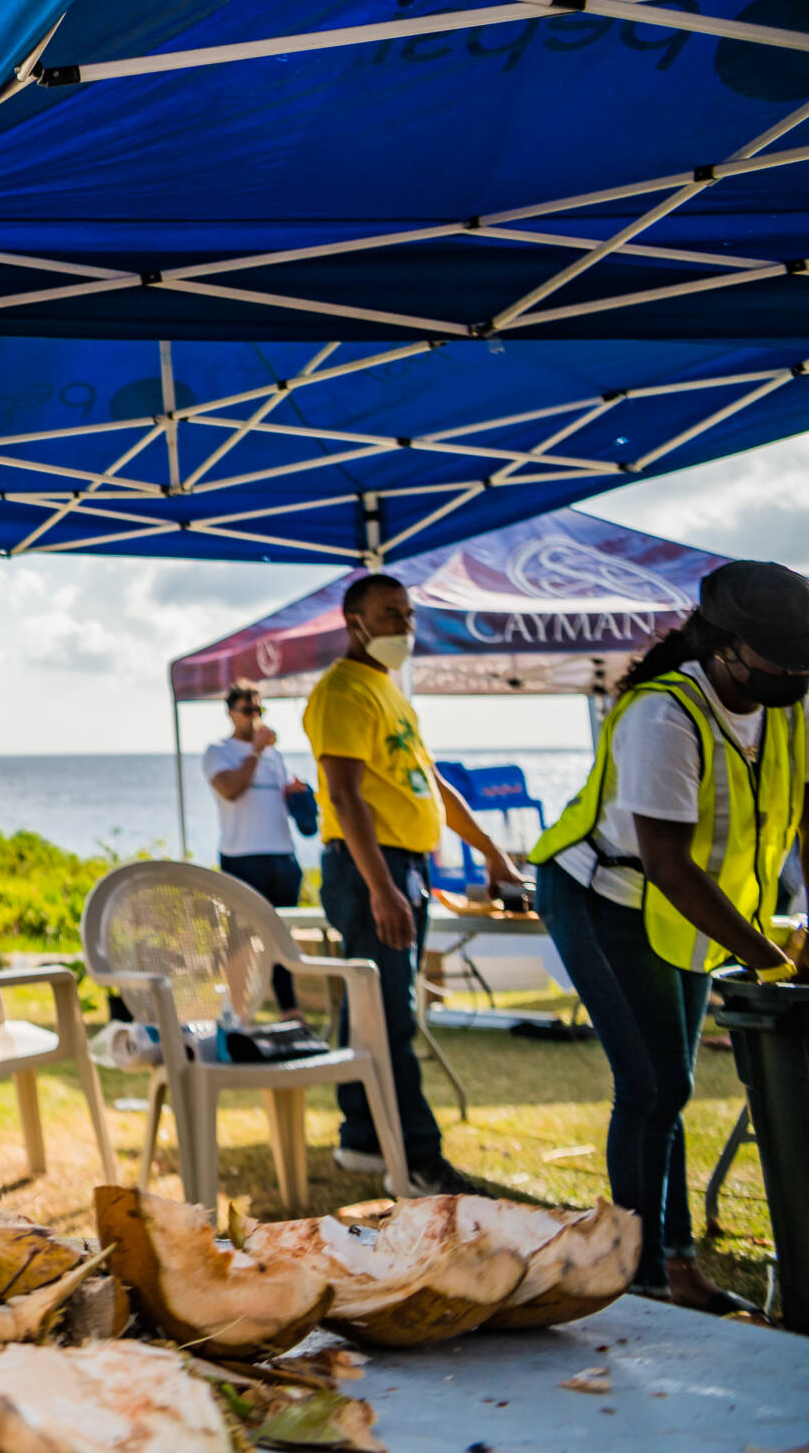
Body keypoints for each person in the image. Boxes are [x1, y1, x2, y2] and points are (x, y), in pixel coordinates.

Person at [527, 561, 809, 1313]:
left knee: (670, 1089)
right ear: (725, 647)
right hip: (603, 896)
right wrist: (770, 960)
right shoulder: (664, 716)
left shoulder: (785, 707)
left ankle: (675, 1265)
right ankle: (638, 1280)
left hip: (683, 907)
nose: (796, 669)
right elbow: (669, 865)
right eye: (782, 656)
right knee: (652, 1085)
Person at [305, 572, 524, 1196]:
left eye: (407, 614)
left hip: (401, 866)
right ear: (355, 623)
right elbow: (345, 797)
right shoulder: (341, 692)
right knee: (391, 1014)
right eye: (391, 615)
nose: (405, 626)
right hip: (370, 865)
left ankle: (363, 1141)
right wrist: (381, 887)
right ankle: (420, 1161)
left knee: (370, 1012)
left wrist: (493, 854)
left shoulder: (387, 689)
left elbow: (432, 786)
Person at [201, 682, 311, 1017]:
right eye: (247, 710)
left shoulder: (275, 756)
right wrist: (255, 752)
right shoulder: (218, 752)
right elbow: (231, 789)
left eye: (259, 710)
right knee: (240, 939)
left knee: (282, 938)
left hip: (281, 856)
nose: (254, 717)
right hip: (242, 857)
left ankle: (289, 1010)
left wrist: (296, 793)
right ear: (231, 713)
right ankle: (238, 1010)